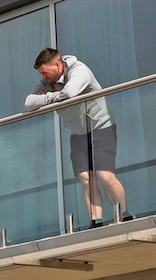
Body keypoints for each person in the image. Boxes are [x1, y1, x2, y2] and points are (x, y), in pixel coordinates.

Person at [25, 48, 131, 228]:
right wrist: (54, 96)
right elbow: (28, 103)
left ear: (57, 65)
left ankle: (124, 215)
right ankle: (96, 221)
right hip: (78, 134)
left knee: (104, 176)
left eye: (44, 72)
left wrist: (48, 98)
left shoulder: (79, 70)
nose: (43, 78)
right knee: (85, 178)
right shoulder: (46, 83)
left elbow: (70, 93)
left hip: (101, 128)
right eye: (41, 74)